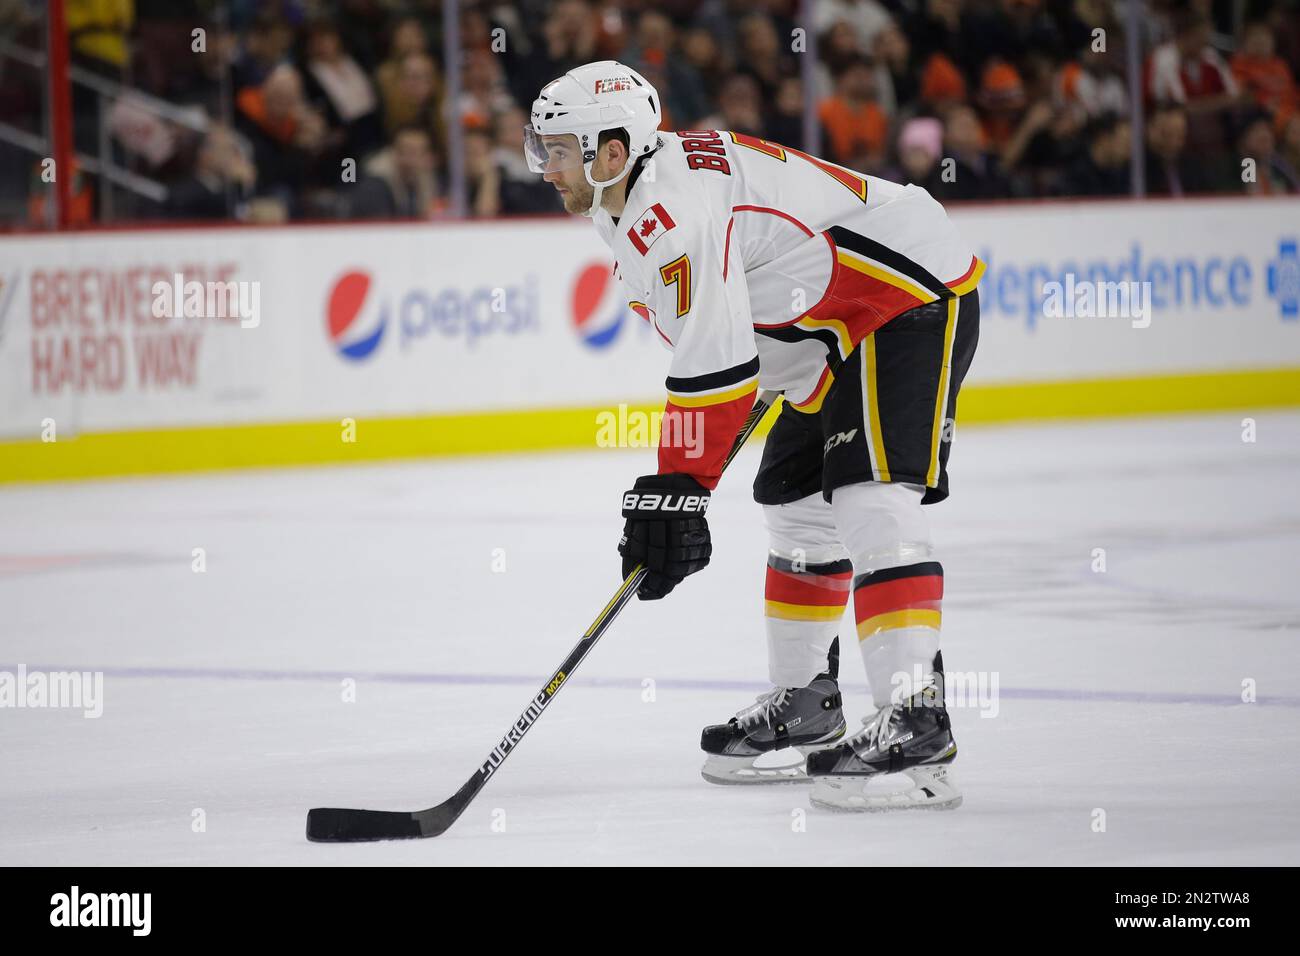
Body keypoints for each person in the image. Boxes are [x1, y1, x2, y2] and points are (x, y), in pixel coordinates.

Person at [525, 61, 983, 812]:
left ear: (613, 150)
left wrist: (677, 490)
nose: (545, 167)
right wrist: (680, 490)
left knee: (870, 495)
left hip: (898, 301)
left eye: (559, 150)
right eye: (541, 148)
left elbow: (715, 363)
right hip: (821, 332)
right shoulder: (631, 198)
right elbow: (726, 349)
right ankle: (808, 704)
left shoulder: (666, 212)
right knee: (797, 506)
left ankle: (916, 722)